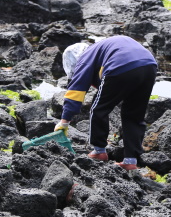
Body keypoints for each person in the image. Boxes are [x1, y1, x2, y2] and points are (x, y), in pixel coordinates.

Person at [55, 36, 157, 171]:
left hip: (121, 64)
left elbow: (76, 91)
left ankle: (99, 151)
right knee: (133, 115)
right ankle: (131, 161)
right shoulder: (101, 48)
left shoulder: (84, 58)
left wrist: (64, 122)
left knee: (98, 109)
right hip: (149, 65)